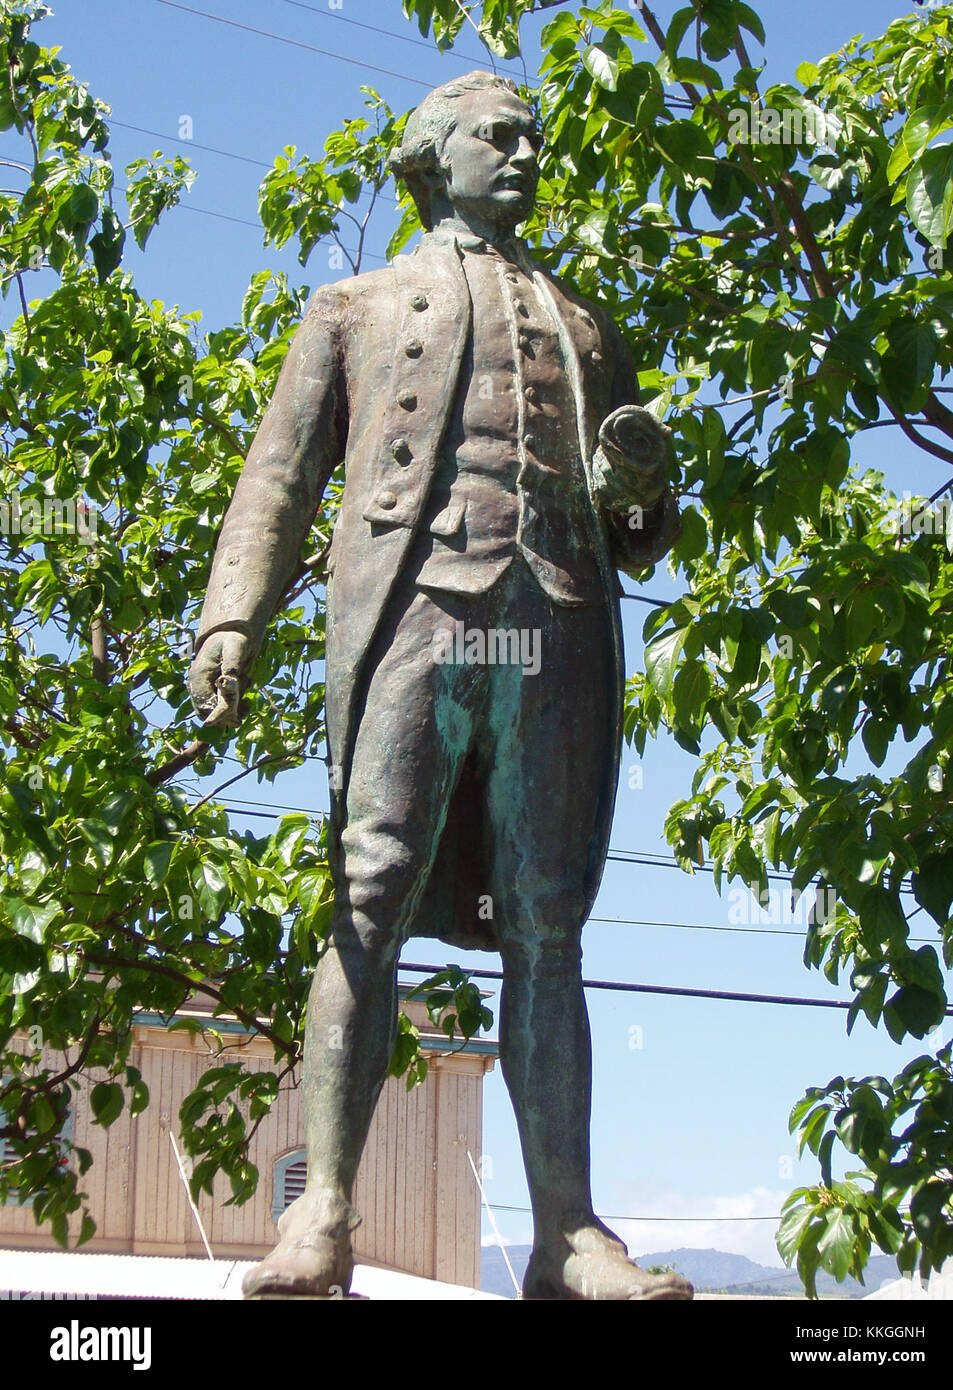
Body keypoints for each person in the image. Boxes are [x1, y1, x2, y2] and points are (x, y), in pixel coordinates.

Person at [188, 71, 689, 1301]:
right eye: (498, 136)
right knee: (368, 893)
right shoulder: (354, 305)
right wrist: (232, 616)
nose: (524, 154)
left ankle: (568, 1234)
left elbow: (639, 532)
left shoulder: (585, 322)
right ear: (433, 157)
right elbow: (277, 477)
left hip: (555, 620)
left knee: (547, 926)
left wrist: (641, 490)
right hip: (415, 614)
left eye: (534, 140)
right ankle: (327, 1220)